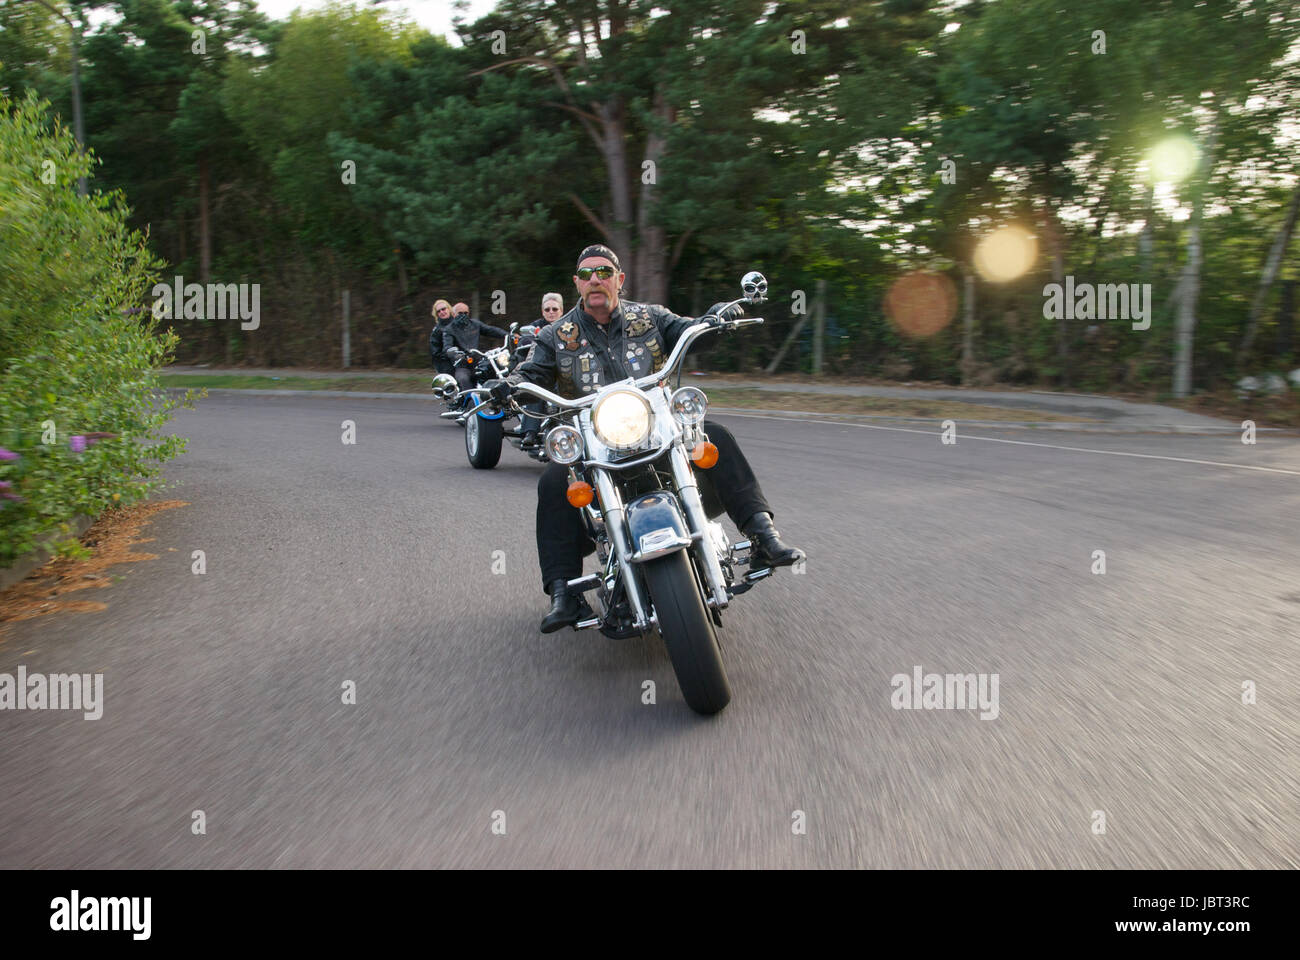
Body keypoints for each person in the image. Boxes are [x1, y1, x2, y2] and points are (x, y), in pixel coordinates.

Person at [490, 244, 805, 633]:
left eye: (604, 271)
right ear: (576, 283)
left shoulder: (650, 317)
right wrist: (510, 384)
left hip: (658, 429)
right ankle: (563, 593)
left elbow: (688, 329)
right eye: (586, 273)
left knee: (716, 436)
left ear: (619, 279)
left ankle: (763, 536)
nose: (595, 279)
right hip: (596, 445)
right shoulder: (557, 335)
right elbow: (532, 372)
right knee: (555, 481)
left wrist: (713, 319)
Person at [516, 293, 565, 448]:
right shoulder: (535, 328)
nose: (551, 312)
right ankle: (530, 432)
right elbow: (523, 342)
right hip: (544, 373)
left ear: (561, 310)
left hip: (566, 373)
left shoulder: (569, 325)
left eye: (555, 309)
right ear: (543, 311)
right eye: (548, 309)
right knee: (536, 391)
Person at [441, 302, 509, 394]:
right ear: (453, 314)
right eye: (460, 313)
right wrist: (455, 354)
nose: (463, 315)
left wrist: (508, 335)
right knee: (463, 378)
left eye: (466, 313)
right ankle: (470, 402)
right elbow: (447, 347)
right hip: (463, 365)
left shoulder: (475, 324)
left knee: (495, 370)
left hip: (479, 362)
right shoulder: (449, 329)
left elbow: (490, 330)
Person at [429, 299, 454, 374]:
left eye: (443, 309)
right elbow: (435, 352)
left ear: (449, 309)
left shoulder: (458, 323)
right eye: (438, 311)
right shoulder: (436, 330)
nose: (442, 312)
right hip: (445, 364)